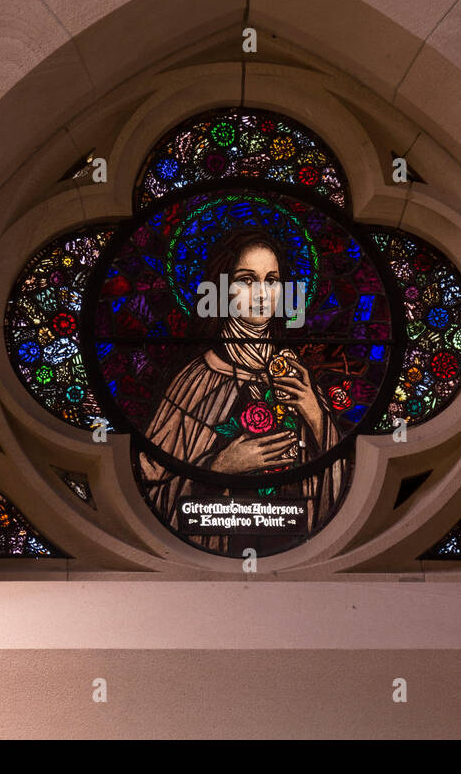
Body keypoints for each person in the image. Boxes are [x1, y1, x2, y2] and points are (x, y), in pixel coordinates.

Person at [136, 227, 349, 552]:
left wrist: (315, 414)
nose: (262, 293)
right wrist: (220, 468)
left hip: (296, 543)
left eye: (272, 281)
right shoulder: (195, 381)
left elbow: (339, 482)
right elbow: (149, 490)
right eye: (247, 280)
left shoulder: (297, 378)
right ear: (222, 289)